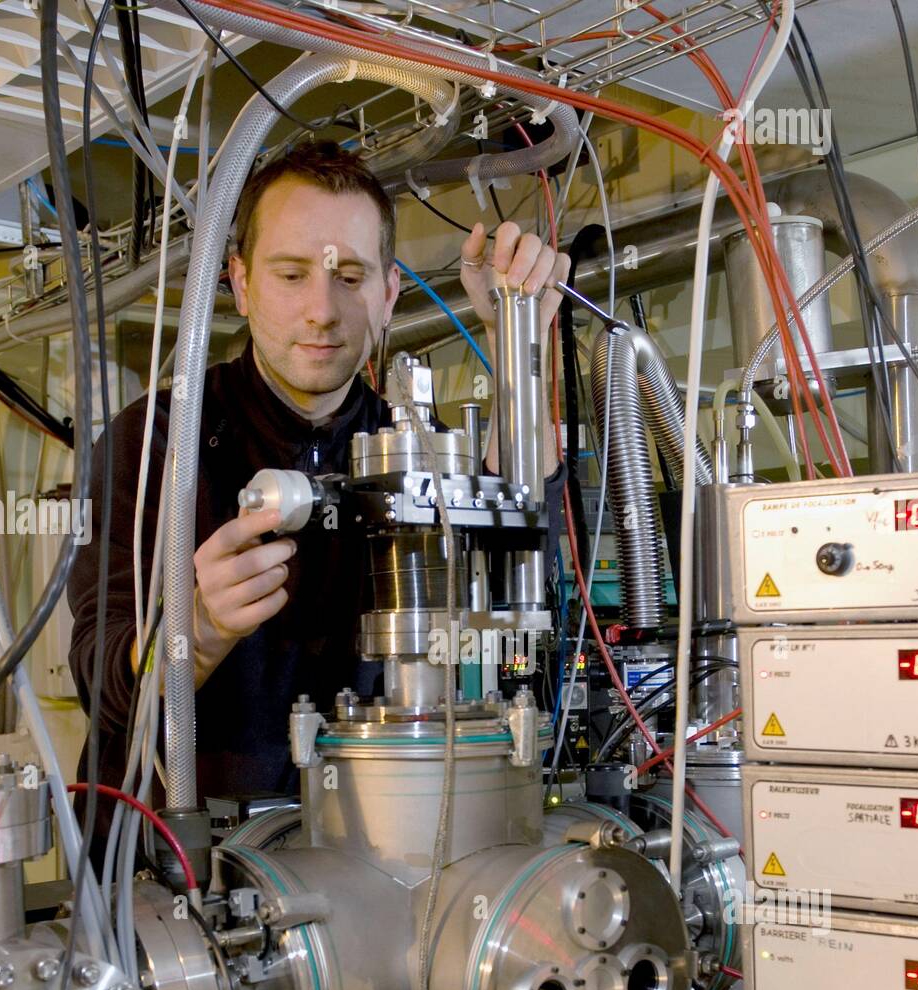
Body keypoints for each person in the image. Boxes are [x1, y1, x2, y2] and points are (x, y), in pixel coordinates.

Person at [68, 141, 571, 862]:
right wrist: (196, 629)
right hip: (169, 861)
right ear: (240, 283)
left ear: (389, 291)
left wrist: (521, 340)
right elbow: (99, 678)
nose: (322, 309)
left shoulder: (410, 451)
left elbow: (507, 610)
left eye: (350, 276)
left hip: (357, 857)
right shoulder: (152, 441)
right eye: (292, 273)